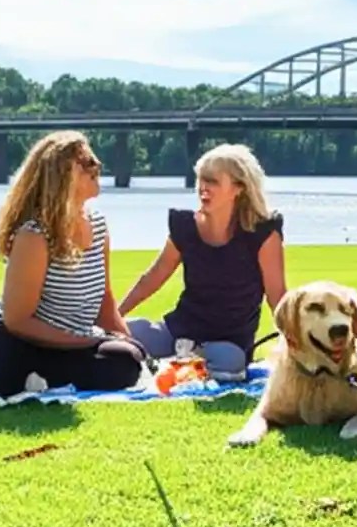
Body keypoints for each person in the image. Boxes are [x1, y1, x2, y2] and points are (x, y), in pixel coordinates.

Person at [0, 130, 143, 397]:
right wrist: (87, 340)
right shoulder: (35, 235)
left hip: (69, 343)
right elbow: (18, 321)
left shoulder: (98, 225)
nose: (98, 167)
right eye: (87, 163)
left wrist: (132, 344)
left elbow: (104, 301)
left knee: (126, 362)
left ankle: (41, 379)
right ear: (60, 174)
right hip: (16, 340)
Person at [118, 143, 294, 381]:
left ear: (238, 188)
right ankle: (183, 360)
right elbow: (153, 277)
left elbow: (277, 295)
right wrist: (115, 317)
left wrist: (295, 341)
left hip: (229, 341)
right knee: (126, 332)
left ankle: (181, 362)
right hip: (181, 331)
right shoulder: (185, 226)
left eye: (212, 181)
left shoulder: (262, 233)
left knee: (229, 363)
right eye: (201, 179)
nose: (203, 187)